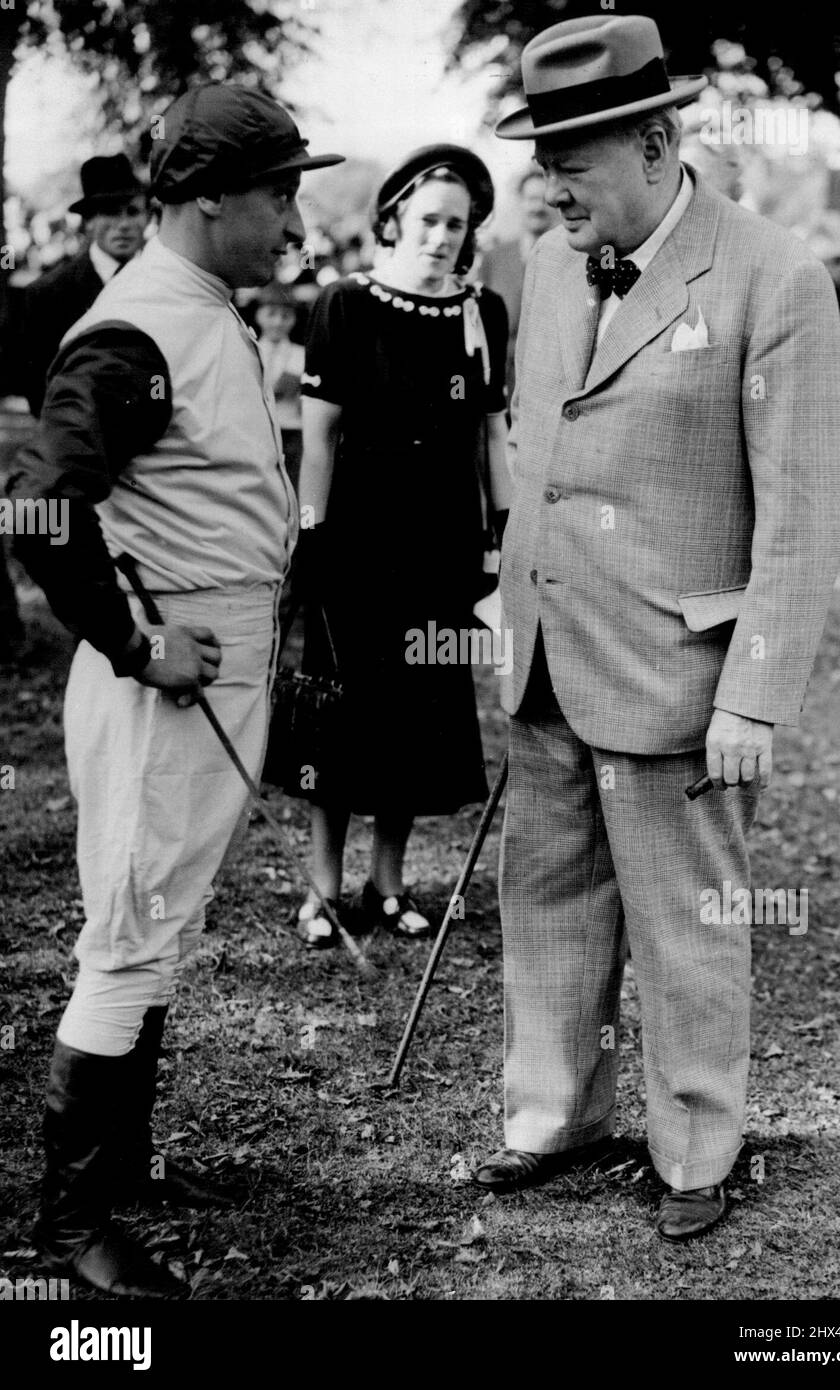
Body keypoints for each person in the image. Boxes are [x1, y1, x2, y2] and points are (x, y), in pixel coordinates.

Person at [474, 14, 840, 1242]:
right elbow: (539, 457)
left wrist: (752, 693)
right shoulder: (540, 268)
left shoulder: (773, 274)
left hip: (680, 675)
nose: (551, 181)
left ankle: (698, 1146)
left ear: (655, 139)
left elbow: (802, 513)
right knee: (548, 905)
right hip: (543, 657)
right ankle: (557, 1114)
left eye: (573, 155)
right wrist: (505, 603)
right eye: (543, 154)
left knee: (688, 925)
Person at [5, 83, 343, 1298]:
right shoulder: (136, 324)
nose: (296, 220)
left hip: (221, 658)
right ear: (202, 202)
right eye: (279, 193)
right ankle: (68, 1220)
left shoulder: (199, 304)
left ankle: (129, 1170)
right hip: (169, 676)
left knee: (162, 919)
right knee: (129, 932)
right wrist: (136, 646)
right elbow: (42, 509)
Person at [292, 144, 512, 948]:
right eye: (427, 219)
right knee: (342, 711)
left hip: (441, 546)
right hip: (355, 540)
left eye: (456, 223)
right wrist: (310, 532)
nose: (441, 236)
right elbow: (319, 437)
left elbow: (493, 434)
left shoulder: (479, 312)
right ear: (393, 220)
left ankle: (387, 882)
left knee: (416, 714)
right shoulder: (343, 305)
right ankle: (323, 886)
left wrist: (501, 533)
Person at [18, 155, 149, 416]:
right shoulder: (48, 295)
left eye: (133, 212)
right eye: (111, 211)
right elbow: (39, 392)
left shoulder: (161, 284)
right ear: (88, 221)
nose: (124, 224)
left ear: (147, 217)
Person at [478, 166, 555, 397]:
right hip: (499, 387)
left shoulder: (574, 259)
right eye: (531, 199)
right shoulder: (494, 258)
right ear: (520, 202)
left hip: (547, 388)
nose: (537, 207)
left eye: (544, 200)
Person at [254, 279, 306, 490]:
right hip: (257, 432)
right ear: (259, 315)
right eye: (271, 314)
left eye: (285, 316)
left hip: (292, 433)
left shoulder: (301, 355)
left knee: (290, 487)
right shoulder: (250, 351)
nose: (277, 322)